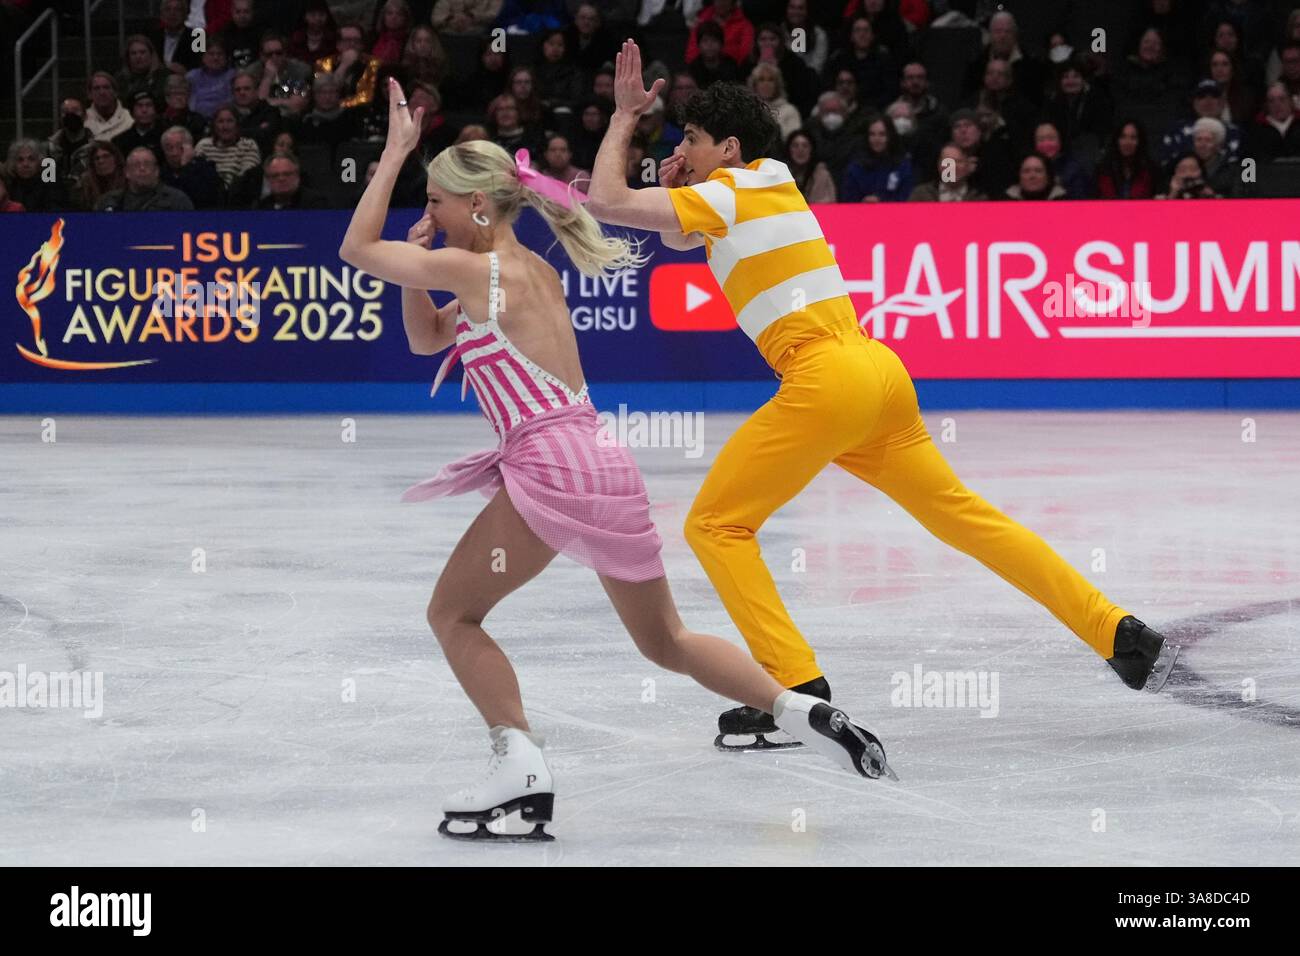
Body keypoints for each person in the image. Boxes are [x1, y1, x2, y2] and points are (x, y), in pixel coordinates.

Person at [336, 80, 891, 840]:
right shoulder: (528, 271)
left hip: (551, 467)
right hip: (602, 461)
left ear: (477, 207)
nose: (424, 214)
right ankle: (802, 707)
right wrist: (416, 264)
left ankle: (520, 771)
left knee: (453, 614)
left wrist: (395, 152)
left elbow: (357, 250)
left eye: (434, 201)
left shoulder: (481, 272)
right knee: (666, 642)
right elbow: (426, 339)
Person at [585, 43, 1179, 748]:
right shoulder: (768, 180)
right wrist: (682, 168)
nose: (680, 147)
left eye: (691, 138)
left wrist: (624, 119)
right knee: (967, 518)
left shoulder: (723, 194)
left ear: (730, 147)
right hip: (877, 373)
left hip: (824, 381)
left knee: (714, 526)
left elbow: (607, 201)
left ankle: (794, 686)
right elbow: (680, 227)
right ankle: (1118, 630)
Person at [96, 146, 195, 211]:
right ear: (127, 172)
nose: (142, 168)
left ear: (157, 171)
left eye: (147, 164)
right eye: (136, 165)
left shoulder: (177, 200)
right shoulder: (109, 201)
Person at [1094, 120, 1160, 200]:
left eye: (1133, 138)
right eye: (1123, 137)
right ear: (1117, 141)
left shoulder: (1151, 169)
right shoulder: (1103, 169)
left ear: (1140, 142)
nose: (1127, 142)